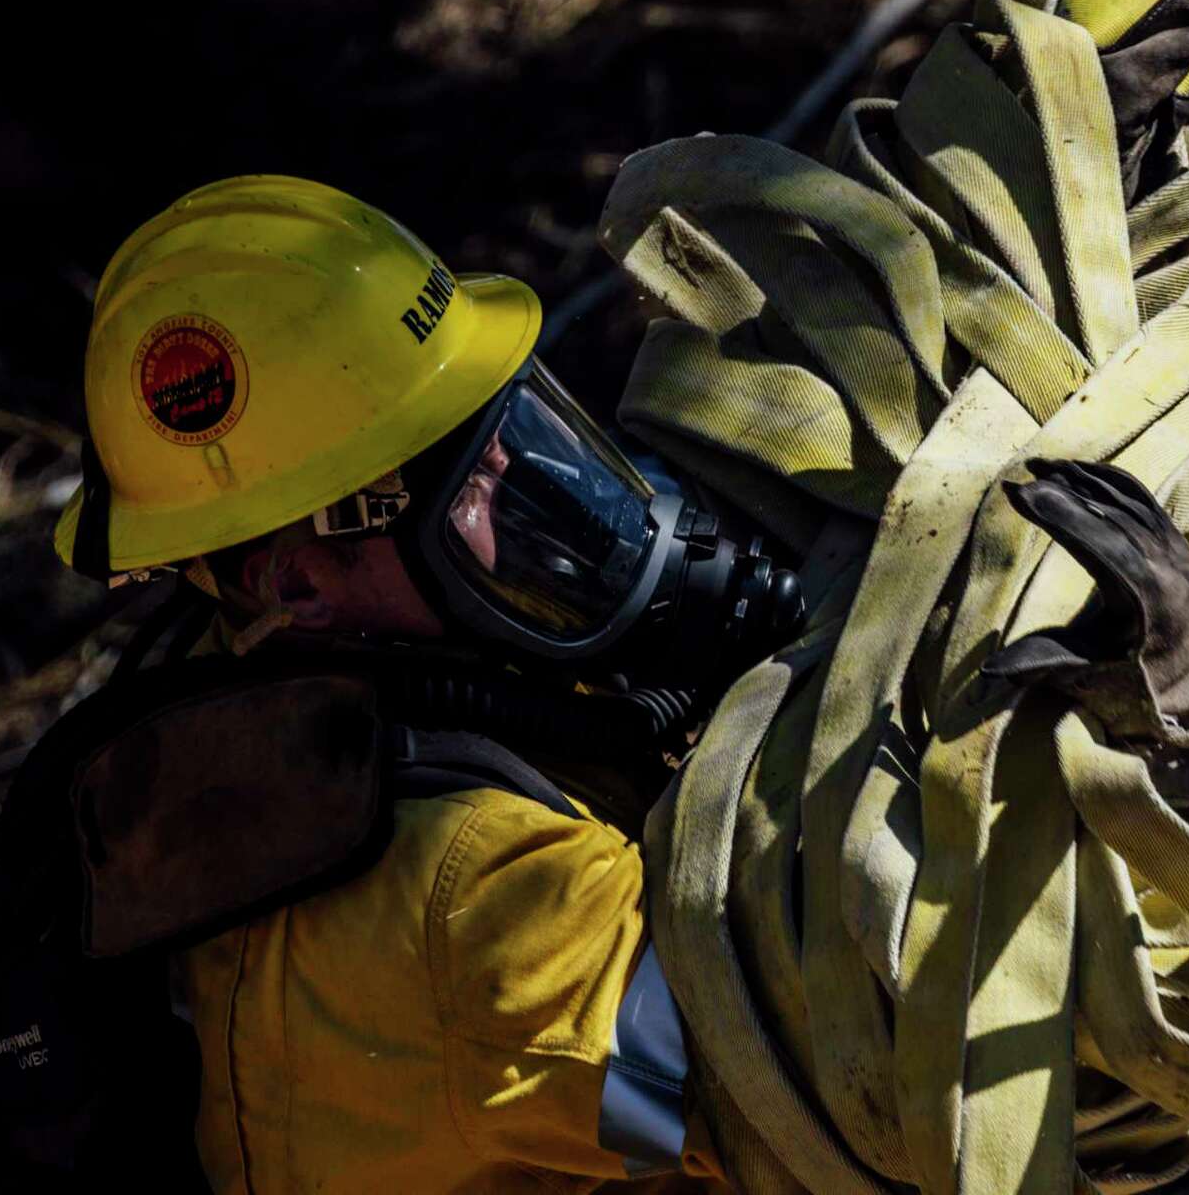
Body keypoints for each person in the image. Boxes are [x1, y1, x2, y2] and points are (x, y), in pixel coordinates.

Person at [47, 174, 799, 1192]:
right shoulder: (466, 889)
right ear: (297, 579)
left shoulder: (226, 733)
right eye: (467, 481)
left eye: (519, 438)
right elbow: (808, 1082)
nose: (533, 505)